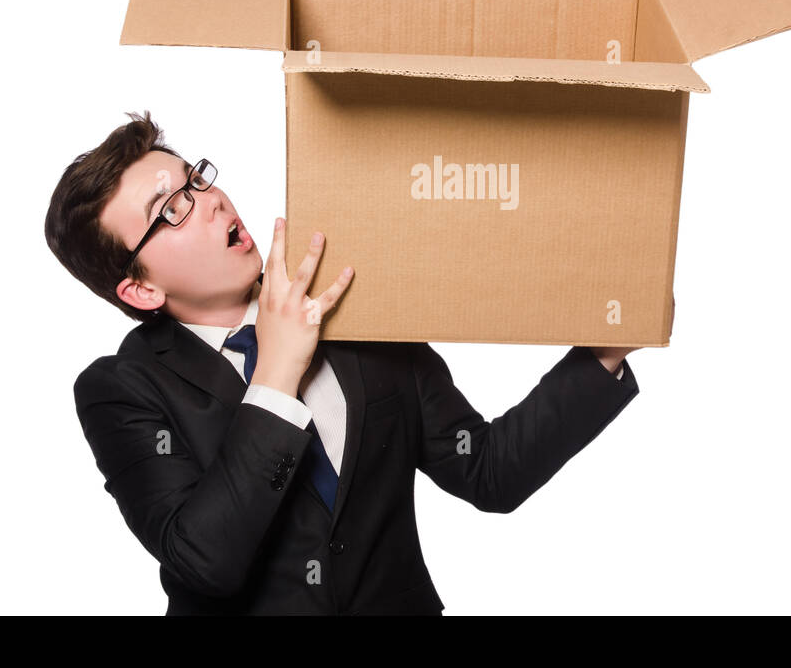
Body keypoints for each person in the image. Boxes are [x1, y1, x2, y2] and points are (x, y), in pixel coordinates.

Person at [44, 111, 642, 614]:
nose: (208, 200)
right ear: (142, 290)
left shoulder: (354, 306)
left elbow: (486, 470)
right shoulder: (120, 390)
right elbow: (205, 562)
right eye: (169, 208)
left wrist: (604, 353)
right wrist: (276, 374)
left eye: (194, 180)